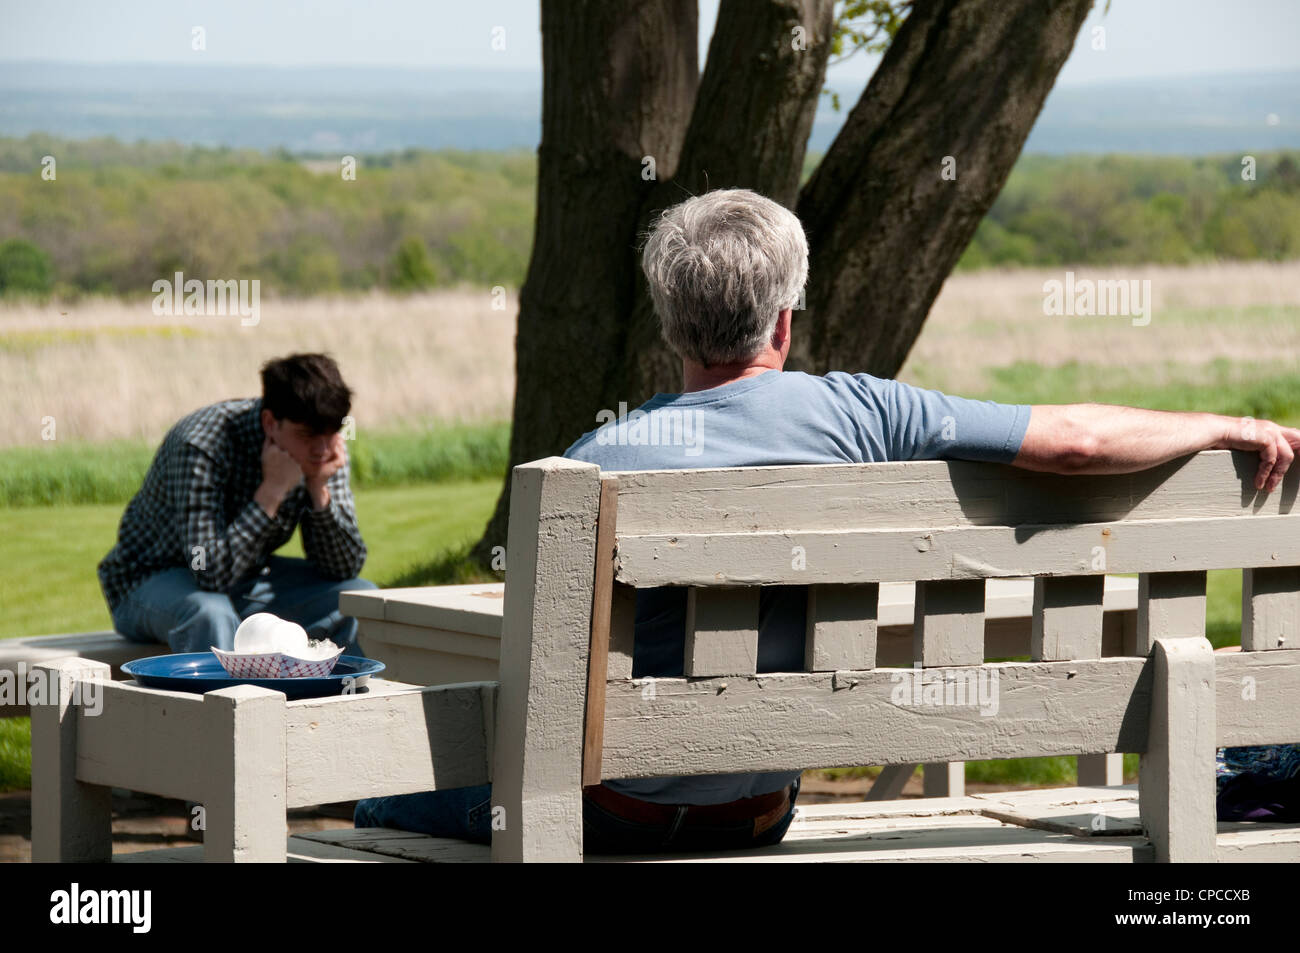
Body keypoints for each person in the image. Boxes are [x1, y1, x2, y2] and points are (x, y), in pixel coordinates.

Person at [354, 188, 1300, 854]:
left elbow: (542, 676)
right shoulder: (857, 414)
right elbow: (1079, 446)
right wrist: (1230, 424)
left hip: (618, 820)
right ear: (784, 322)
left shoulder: (595, 460)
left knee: (384, 783)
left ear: (670, 323)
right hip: (762, 809)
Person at [99, 352, 376, 655]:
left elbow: (343, 568)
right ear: (271, 423)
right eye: (308, 435)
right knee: (211, 614)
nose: (323, 449)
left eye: (331, 432)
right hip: (150, 578)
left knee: (359, 598)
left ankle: (343, 699)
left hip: (245, 580)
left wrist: (317, 488)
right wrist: (271, 492)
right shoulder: (201, 443)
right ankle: (235, 702)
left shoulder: (321, 447)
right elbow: (208, 572)